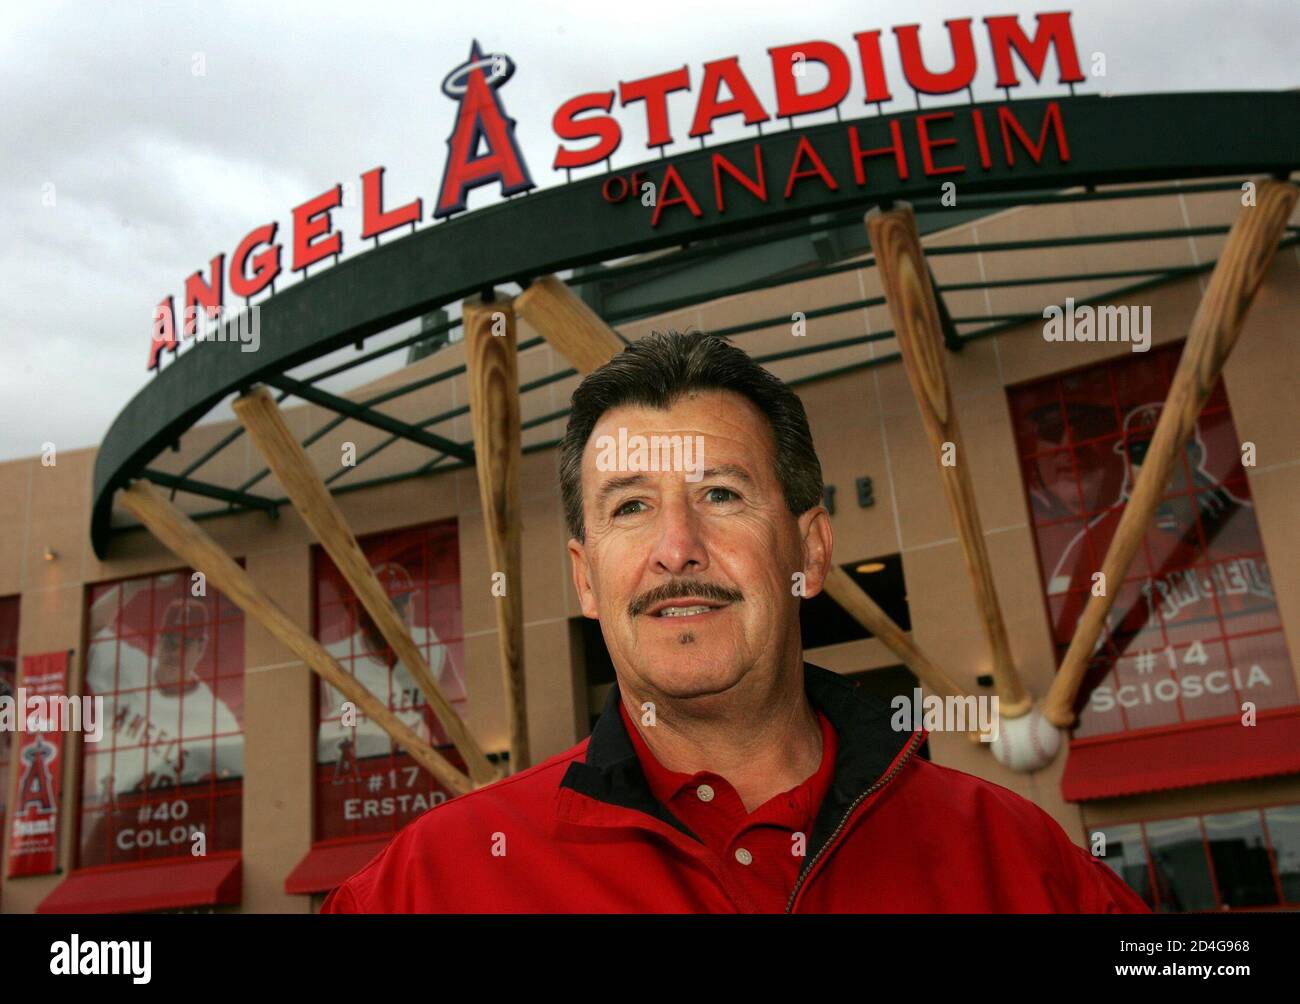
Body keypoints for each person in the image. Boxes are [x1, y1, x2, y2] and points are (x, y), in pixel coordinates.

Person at [322, 331, 1150, 913]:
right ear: (585, 576)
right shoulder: (430, 887)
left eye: (721, 494)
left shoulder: (1015, 862)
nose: (676, 549)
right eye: (632, 507)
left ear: (811, 549)